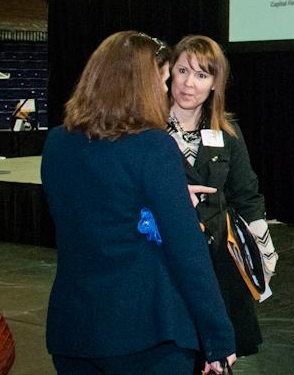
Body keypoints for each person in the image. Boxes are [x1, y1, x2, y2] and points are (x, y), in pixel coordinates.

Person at [42, 31, 235, 374]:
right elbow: (186, 249)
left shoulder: (57, 143)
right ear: (141, 86)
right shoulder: (154, 147)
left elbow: (98, 211)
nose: (166, 91)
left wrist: (162, 201)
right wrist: (217, 336)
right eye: (162, 81)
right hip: (145, 334)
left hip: (73, 330)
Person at [166, 35, 277, 358]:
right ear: (169, 72)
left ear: (215, 83)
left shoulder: (227, 131)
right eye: (183, 70)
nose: (189, 83)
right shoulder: (147, 129)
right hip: (164, 260)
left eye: (202, 75)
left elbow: (246, 194)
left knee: (215, 354)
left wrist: (263, 248)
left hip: (216, 261)